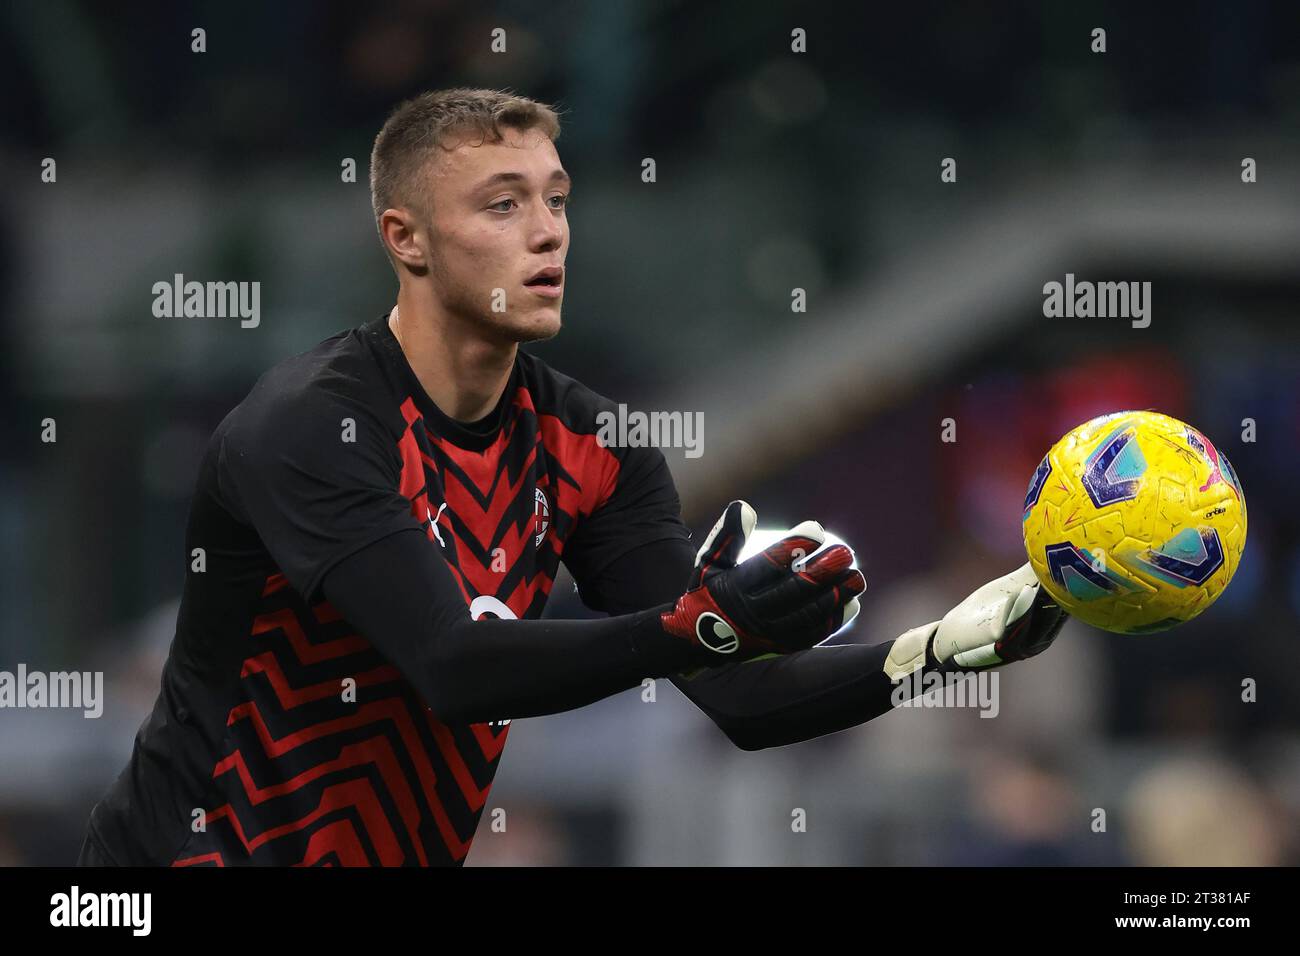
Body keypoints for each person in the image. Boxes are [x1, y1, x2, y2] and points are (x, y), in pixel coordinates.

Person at [78, 88, 1065, 867]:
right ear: (406, 238)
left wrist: (945, 644)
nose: (546, 231)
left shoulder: (591, 444)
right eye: (502, 204)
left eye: (555, 198)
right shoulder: (311, 425)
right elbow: (451, 667)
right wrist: (696, 625)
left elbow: (747, 703)